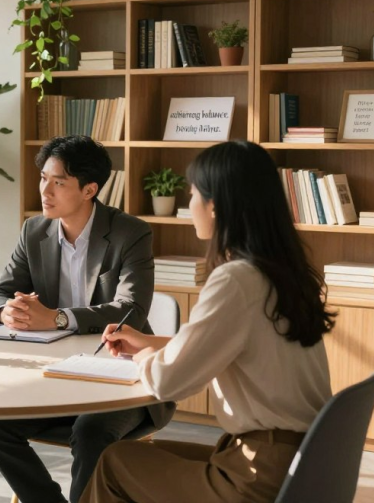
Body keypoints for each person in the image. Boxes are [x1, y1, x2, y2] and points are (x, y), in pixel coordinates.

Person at [82, 140, 334, 503]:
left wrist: (141, 359)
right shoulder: (285, 274)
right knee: (129, 458)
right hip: (299, 460)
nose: (189, 205)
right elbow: (236, 349)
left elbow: (167, 382)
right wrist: (152, 343)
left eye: (193, 194)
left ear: (215, 205)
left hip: (256, 475)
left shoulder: (236, 279)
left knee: (115, 462)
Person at [0, 135, 175, 503]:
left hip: (121, 379)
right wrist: (5, 310)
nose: (45, 190)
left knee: (90, 432)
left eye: (58, 182)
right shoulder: (34, 230)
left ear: (89, 189)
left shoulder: (129, 232)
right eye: (42, 178)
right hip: (55, 375)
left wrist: (56, 319)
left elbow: (130, 308)